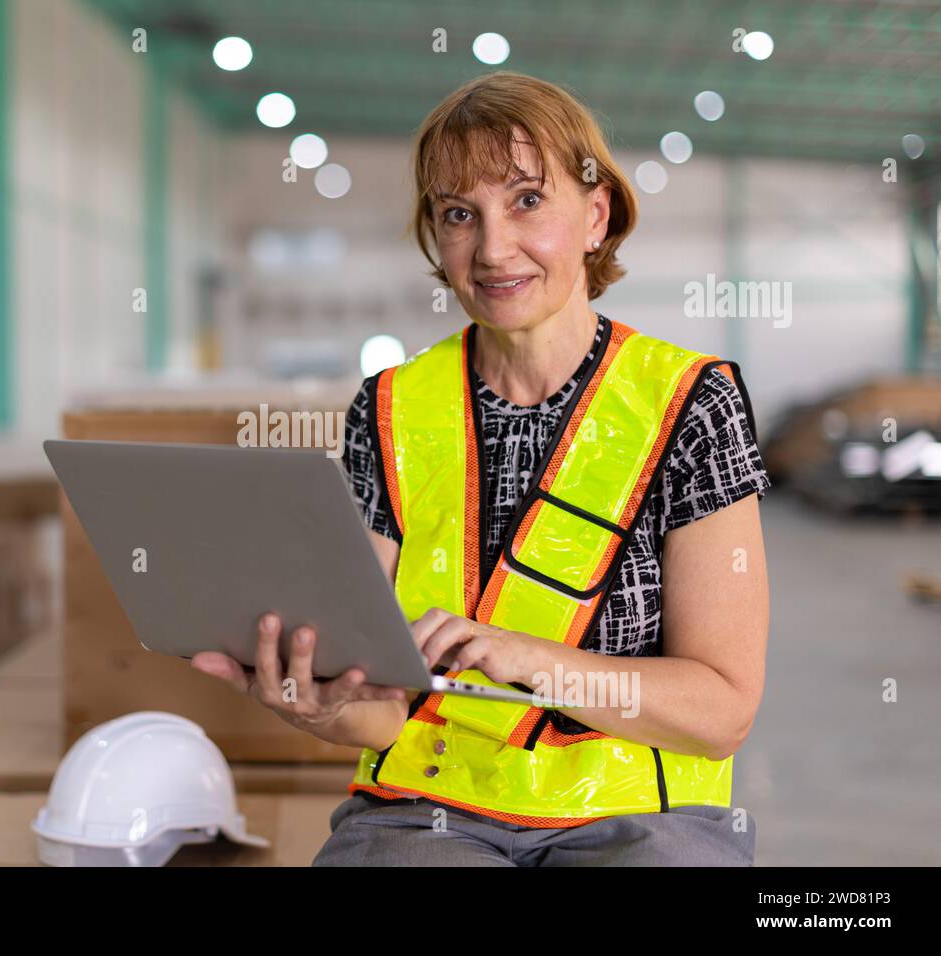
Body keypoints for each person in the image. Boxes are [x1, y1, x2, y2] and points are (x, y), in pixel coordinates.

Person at [192, 71, 771, 866]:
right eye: (459, 214)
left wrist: (528, 658)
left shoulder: (688, 402)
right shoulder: (393, 408)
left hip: (641, 823)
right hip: (427, 813)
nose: (493, 248)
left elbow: (722, 709)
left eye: (527, 201)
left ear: (595, 216)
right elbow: (382, 715)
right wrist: (313, 704)